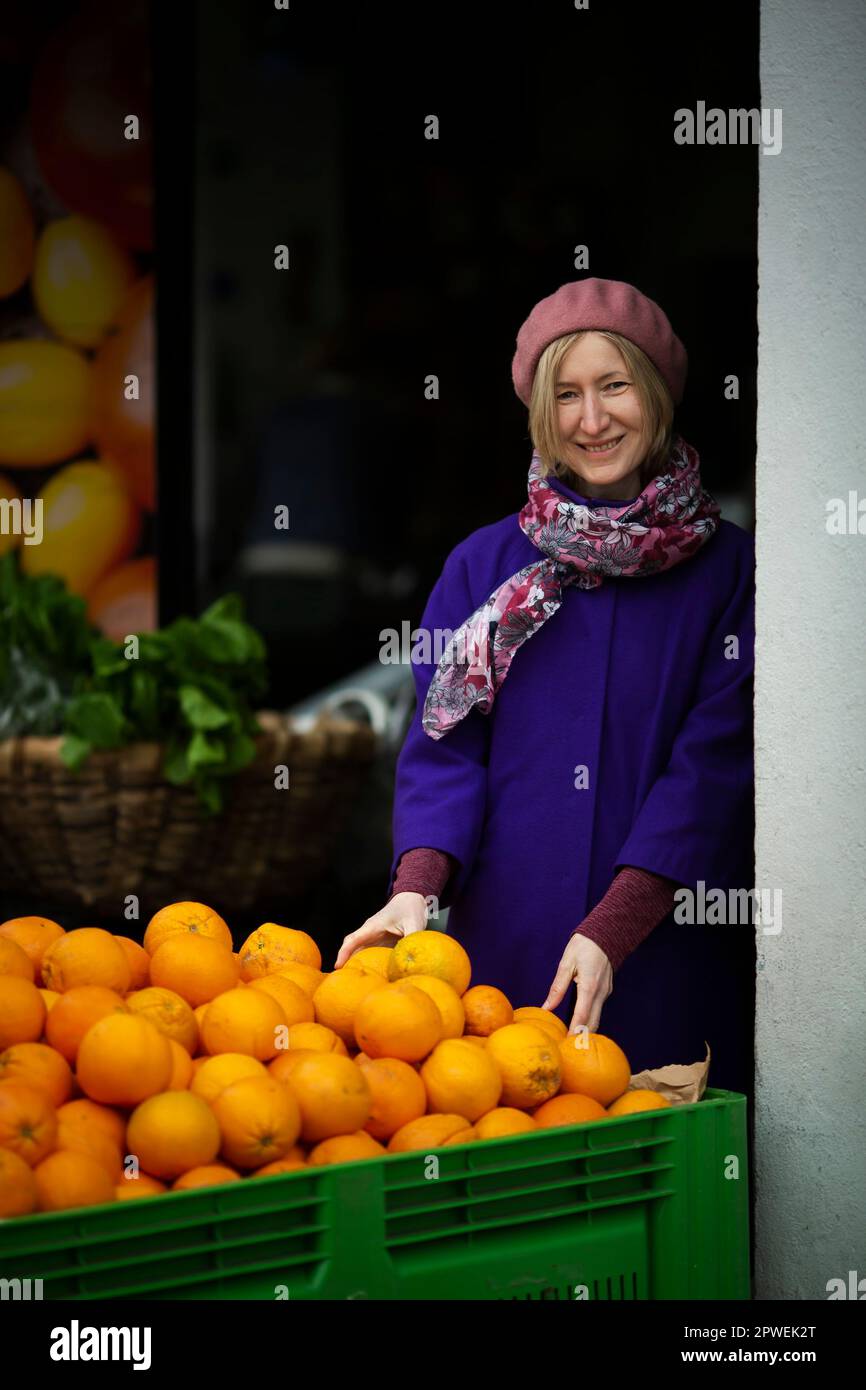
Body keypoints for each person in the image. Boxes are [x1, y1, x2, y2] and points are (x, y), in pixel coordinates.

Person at [335, 277, 755, 1094]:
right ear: (541, 414)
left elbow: (715, 768)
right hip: (510, 956)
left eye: (614, 386)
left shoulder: (727, 571)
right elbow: (444, 748)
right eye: (566, 394)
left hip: (665, 954)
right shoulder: (483, 566)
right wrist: (416, 891)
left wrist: (616, 924)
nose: (591, 420)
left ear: (658, 393)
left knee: (665, 1181)